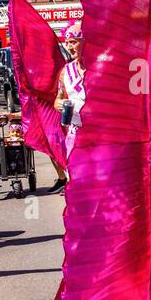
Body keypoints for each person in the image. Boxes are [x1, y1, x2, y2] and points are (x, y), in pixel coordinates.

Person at [49, 20, 85, 194]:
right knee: (77, 181)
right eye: (67, 42)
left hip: (98, 134)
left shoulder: (98, 69)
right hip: (75, 134)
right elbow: (58, 99)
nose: (69, 46)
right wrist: (59, 104)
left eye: (74, 42)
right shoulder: (65, 72)